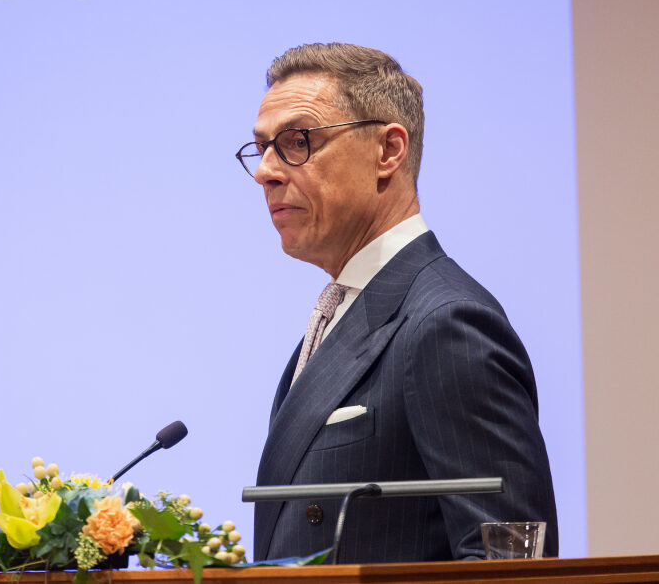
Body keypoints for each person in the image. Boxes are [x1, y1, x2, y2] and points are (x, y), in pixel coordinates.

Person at [239, 43, 558, 563]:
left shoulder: (446, 323)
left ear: (388, 152)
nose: (265, 172)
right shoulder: (342, 311)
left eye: (296, 141)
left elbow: (508, 564)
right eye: (263, 148)